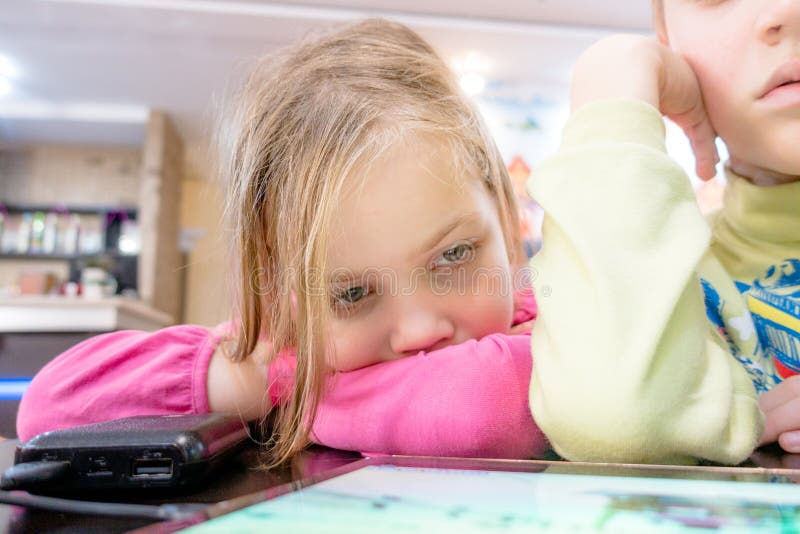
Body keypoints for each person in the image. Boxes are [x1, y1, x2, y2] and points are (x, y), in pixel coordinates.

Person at [17, 19, 547, 466]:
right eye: (352, 294)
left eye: (453, 255)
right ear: (287, 298)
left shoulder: (564, 325)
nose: (418, 330)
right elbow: (49, 405)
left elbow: (486, 408)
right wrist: (269, 376)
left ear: (505, 221)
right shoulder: (289, 347)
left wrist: (304, 399)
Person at [527, 0, 799, 465]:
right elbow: (617, 423)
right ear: (669, 40)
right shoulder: (672, 284)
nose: (786, 11)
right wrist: (613, 77)